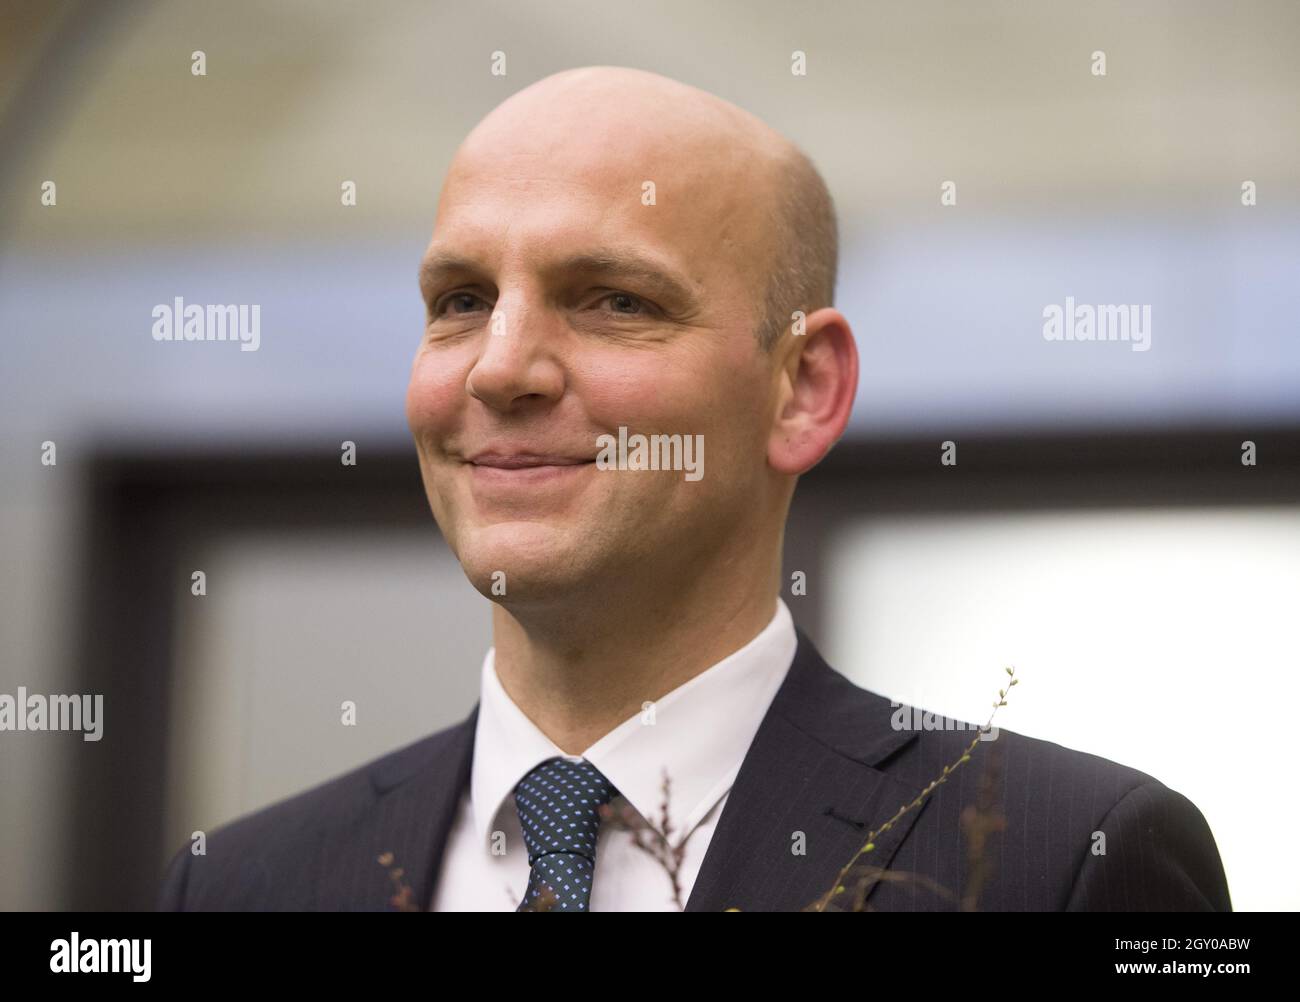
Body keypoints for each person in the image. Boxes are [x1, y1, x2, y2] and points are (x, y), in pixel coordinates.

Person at [157, 66, 1230, 912]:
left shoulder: (1063, 862)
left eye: (613, 300)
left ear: (801, 388)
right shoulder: (241, 885)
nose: (497, 367)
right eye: (461, 298)